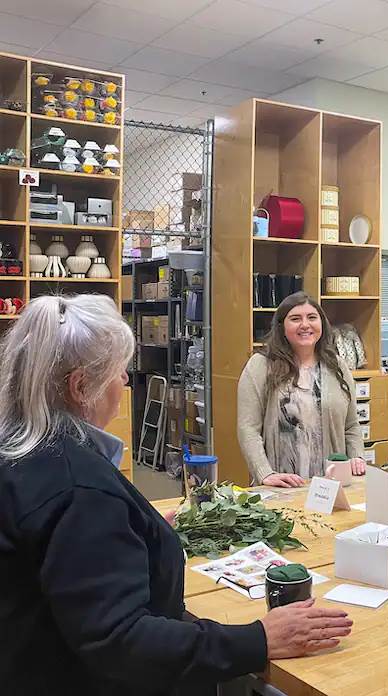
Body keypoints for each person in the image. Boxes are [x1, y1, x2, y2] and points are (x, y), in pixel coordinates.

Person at [0, 295, 353, 695]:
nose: (125, 384)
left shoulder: (25, 452)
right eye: (119, 374)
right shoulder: (78, 488)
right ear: (81, 387)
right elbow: (121, 641)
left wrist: (138, 532)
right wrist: (257, 639)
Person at [238, 291, 366, 487]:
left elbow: (351, 426)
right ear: (282, 327)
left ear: (322, 324)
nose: (305, 325)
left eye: (312, 318)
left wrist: (357, 457)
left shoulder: (337, 367)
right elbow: (248, 428)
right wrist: (264, 474)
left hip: (330, 485)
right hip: (281, 485)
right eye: (295, 319)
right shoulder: (260, 366)